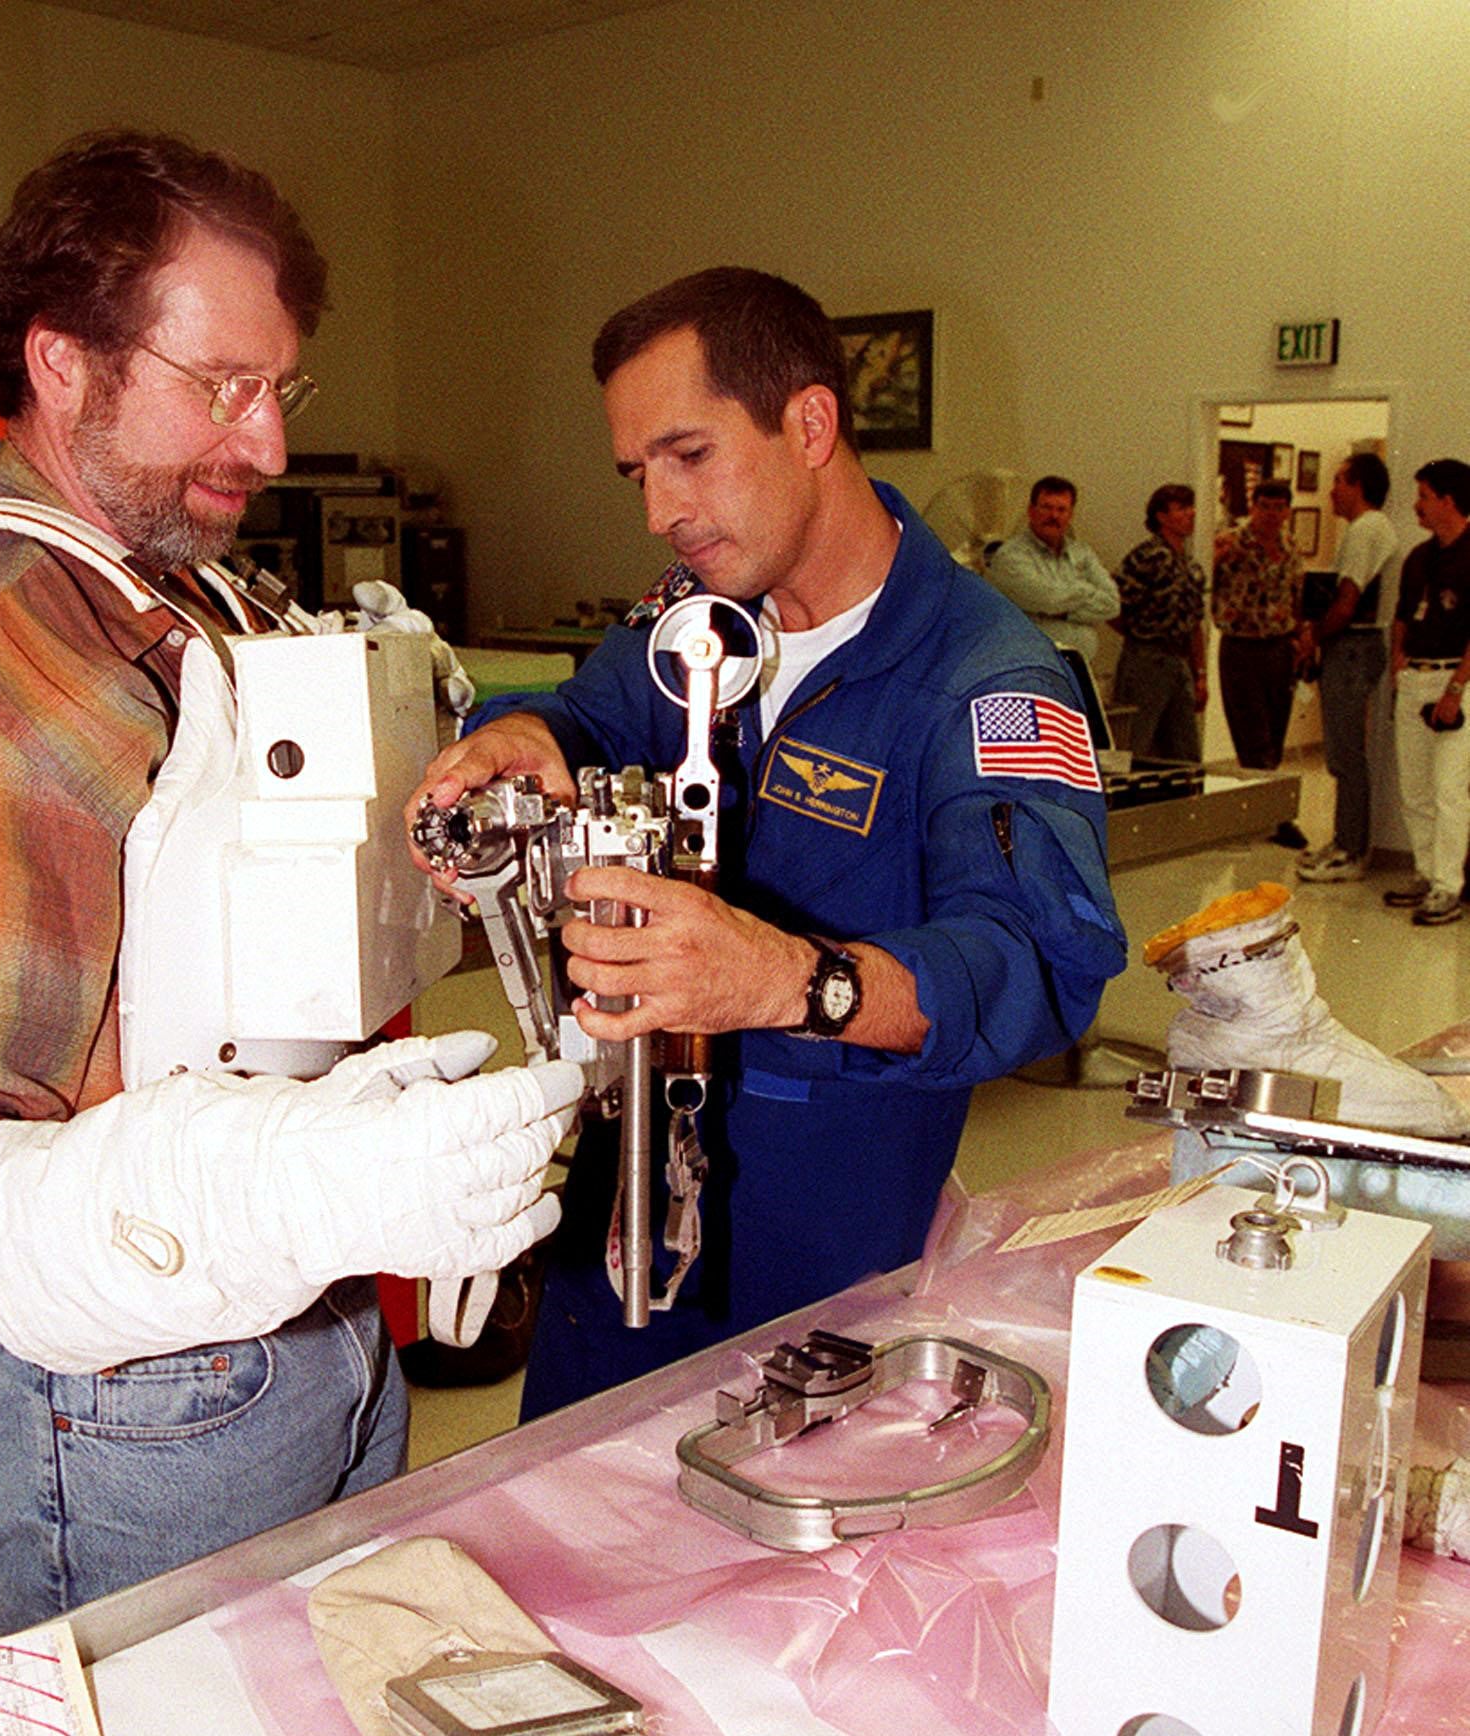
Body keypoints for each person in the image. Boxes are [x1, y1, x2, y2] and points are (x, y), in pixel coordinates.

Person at [0, 131, 577, 1635]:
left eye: (281, 391)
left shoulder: (181, 596)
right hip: (130, 1403)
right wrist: (284, 1186)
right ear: (62, 363)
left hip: (317, 1308)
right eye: (222, 386)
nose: (265, 447)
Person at [407, 268, 1126, 1418]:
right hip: (614, 1221)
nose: (659, 509)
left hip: (821, 1256)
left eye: (689, 455)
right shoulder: (695, 615)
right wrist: (526, 736)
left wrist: (790, 979)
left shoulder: (984, 680)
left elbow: (1039, 961)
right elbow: (593, 712)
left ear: (811, 423)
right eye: (639, 473)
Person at [1296, 453, 1402, 882]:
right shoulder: (1365, 529)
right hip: (1353, 647)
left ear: (1358, 485)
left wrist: (1314, 637)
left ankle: (1351, 849)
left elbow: (1346, 601)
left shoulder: (1366, 529)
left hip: (1354, 647)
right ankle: (1344, 838)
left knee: (1345, 753)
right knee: (1343, 752)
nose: (1332, 490)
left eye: (1339, 480)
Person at [1385, 459, 1470, 926]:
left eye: (1423, 496)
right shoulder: (1419, 557)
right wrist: (1398, 659)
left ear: (1448, 500)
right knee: (1414, 788)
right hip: (1414, 678)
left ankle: (1446, 886)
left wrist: (1456, 688)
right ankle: (1424, 870)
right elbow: (1402, 616)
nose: (1416, 505)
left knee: (1448, 789)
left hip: (1456, 680)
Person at [1211, 479, 1304, 770]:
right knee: (1252, 735)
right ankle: (1257, 789)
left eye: (1278, 507)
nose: (1271, 514)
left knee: (1275, 733)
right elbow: (1205, 580)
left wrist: (1301, 638)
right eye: (1265, 506)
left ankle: (1271, 790)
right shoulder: (1230, 542)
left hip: (1279, 647)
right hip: (1241, 647)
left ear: (1287, 511)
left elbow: (1296, 593)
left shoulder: (1290, 545)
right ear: (1253, 508)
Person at [1112, 483, 1208, 762]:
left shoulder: (1190, 564)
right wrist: (1139, 637)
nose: (1190, 514)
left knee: (1185, 749)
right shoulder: (1147, 557)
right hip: (1147, 659)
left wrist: (1200, 673)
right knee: (1135, 744)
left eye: (1191, 507)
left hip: (1179, 660)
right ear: (1162, 516)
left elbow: (1195, 623)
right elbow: (1113, 606)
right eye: (1181, 509)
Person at [984, 475, 1120, 663]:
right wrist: (1085, 592)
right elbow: (1046, 598)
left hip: (1078, 667)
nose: (1054, 516)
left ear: (1070, 515)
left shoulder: (1082, 553)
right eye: (1046, 507)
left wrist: (1061, 611)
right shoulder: (1010, 556)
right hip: (1029, 664)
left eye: (1061, 509)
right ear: (1031, 511)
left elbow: (1112, 605)